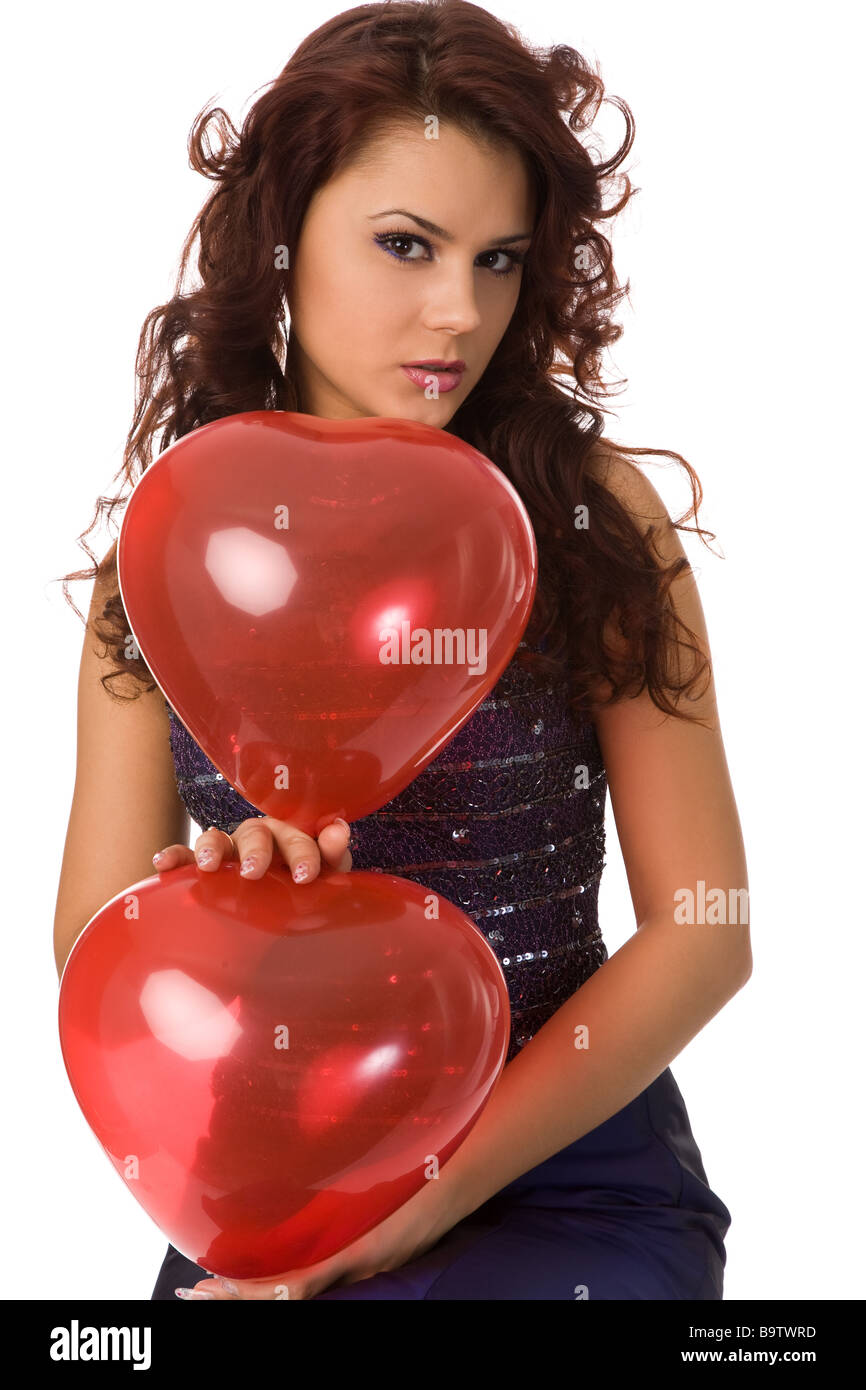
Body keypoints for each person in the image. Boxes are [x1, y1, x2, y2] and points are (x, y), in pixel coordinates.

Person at [54, 0, 751, 1301]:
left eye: (496, 260)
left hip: (569, 1169)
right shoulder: (161, 560)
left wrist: (415, 1204)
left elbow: (704, 929)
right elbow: (94, 936)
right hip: (269, 1175)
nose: (455, 311)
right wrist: (218, 899)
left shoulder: (586, 520)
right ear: (280, 236)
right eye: (403, 244)